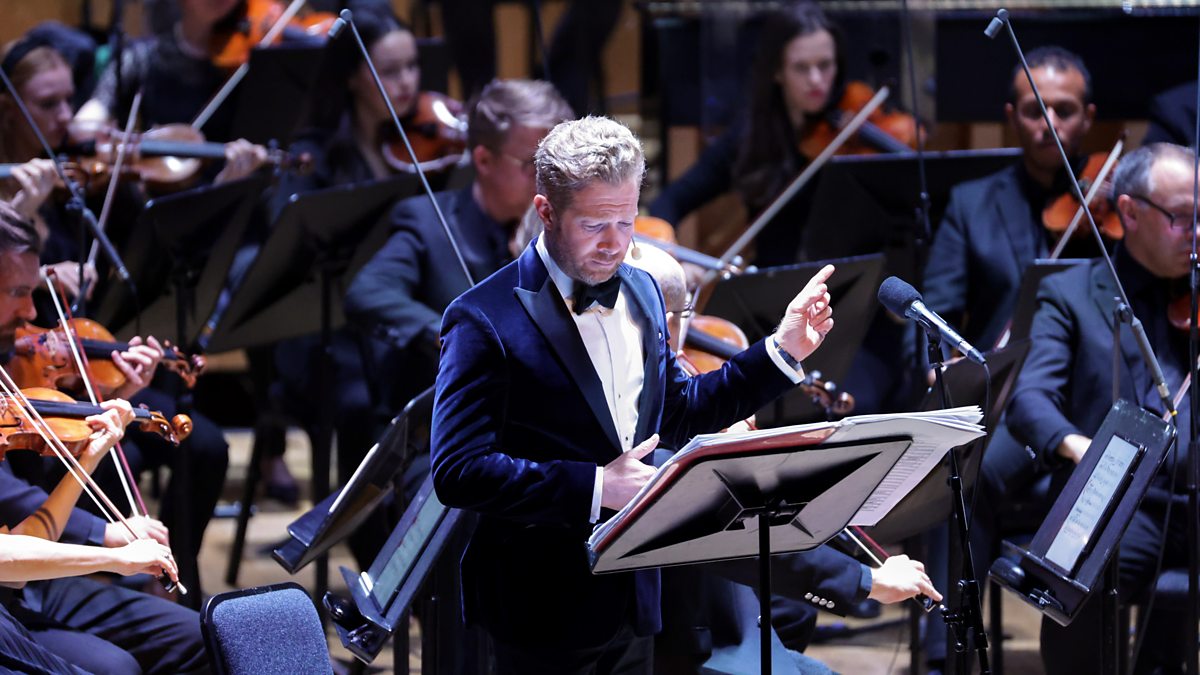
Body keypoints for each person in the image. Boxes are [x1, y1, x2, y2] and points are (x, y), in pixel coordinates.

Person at [430, 114, 837, 672]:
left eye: (627, 222)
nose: (615, 244)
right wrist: (598, 486)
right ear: (546, 212)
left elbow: (680, 413)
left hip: (636, 597)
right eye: (595, 224)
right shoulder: (481, 318)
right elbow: (459, 470)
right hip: (540, 606)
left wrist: (780, 352)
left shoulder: (644, 291)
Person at [626, 243, 939, 674]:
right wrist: (867, 581)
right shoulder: (641, 417)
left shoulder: (662, 386)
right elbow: (731, 534)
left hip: (724, 604)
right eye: (684, 315)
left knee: (794, 614)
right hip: (681, 641)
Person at [1006, 142, 1197, 674]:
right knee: (1084, 572)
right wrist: (1080, 447)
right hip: (1127, 508)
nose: (1197, 234)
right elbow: (1030, 397)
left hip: (1195, 496)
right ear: (1131, 212)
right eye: (1182, 218)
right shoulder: (1071, 294)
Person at [0, 200, 206, 674]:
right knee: (115, 669)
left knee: (197, 635)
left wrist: (91, 451)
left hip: (32, 567)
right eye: (16, 291)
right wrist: (110, 545)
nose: (32, 311)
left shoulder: (13, 369)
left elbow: (36, 519)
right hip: (17, 569)